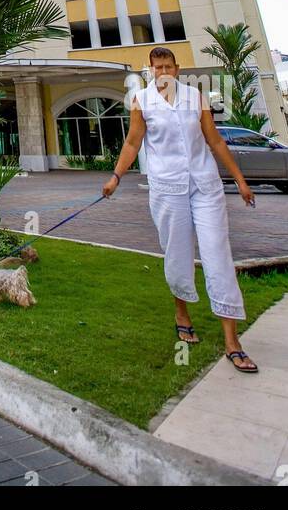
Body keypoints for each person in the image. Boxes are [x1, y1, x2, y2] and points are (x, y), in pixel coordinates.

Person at [102, 46, 259, 374]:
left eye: (168, 67)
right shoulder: (141, 101)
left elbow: (215, 140)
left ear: (178, 68)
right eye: (157, 67)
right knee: (177, 253)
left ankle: (232, 341)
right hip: (167, 188)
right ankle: (182, 315)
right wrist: (116, 176)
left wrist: (241, 181)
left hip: (205, 185)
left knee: (218, 253)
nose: (163, 73)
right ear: (150, 69)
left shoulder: (195, 98)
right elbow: (133, 143)